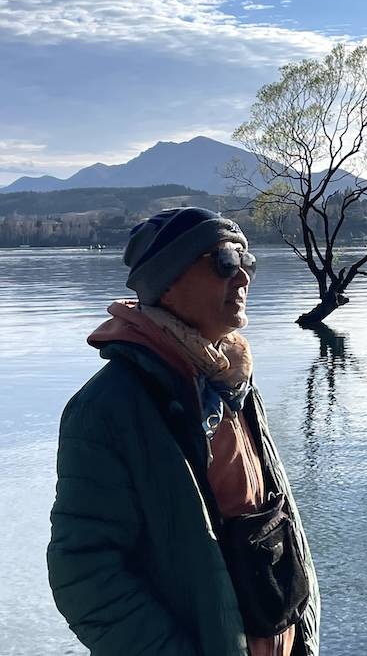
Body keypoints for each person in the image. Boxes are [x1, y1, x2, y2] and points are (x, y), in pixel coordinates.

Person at [47, 207, 320, 656]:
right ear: (168, 280)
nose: (243, 277)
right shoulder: (109, 407)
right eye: (225, 262)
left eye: (247, 262)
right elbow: (82, 572)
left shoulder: (231, 379)